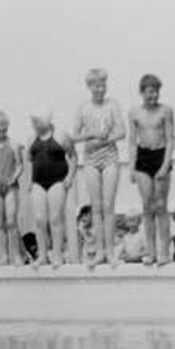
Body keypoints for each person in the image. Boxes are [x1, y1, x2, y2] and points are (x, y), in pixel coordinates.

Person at [73, 69, 126, 266]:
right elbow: (75, 136)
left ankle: (111, 251)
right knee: (95, 206)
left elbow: (122, 131)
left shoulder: (113, 104)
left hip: (110, 156)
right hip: (90, 159)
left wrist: (106, 139)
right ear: (89, 87)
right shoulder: (83, 107)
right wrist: (91, 134)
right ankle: (99, 251)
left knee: (108, 205)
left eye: (103, 84)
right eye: (96, 85)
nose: (100, 88)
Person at [128, 74, 175, 267]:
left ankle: (164, 252)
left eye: (156, 91)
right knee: (147, 206)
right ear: (142, 92)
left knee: (161, 205)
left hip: (160, 155)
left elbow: (171, 140)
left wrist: (165, 165)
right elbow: (131, 142)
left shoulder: (166, 111)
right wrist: (132, 167)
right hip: (143, 157)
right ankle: (151, 251)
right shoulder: (134, 112)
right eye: (149, 92)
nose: (153, 96)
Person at [28, 112, 76, 269]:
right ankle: (42, 255)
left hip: (57, 180)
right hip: (38, 182)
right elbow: (30, 161)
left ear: (46, 121)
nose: (34, 125)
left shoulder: (61, 135)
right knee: (39, 219)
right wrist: (30, 180)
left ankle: (57, 254)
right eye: (33, 122)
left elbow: (73, 156)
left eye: (37, 121)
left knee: (55, 218)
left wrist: (70, 176)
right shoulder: (31, 139)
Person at [0, 111, 24, 266]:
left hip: (10, 187)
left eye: (4, 124)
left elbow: (20, 165)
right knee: (0, 222)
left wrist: (14, 177)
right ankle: (4, 256)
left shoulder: (13, 144)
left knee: (11, 220)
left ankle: (17, 256)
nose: (1, 128)